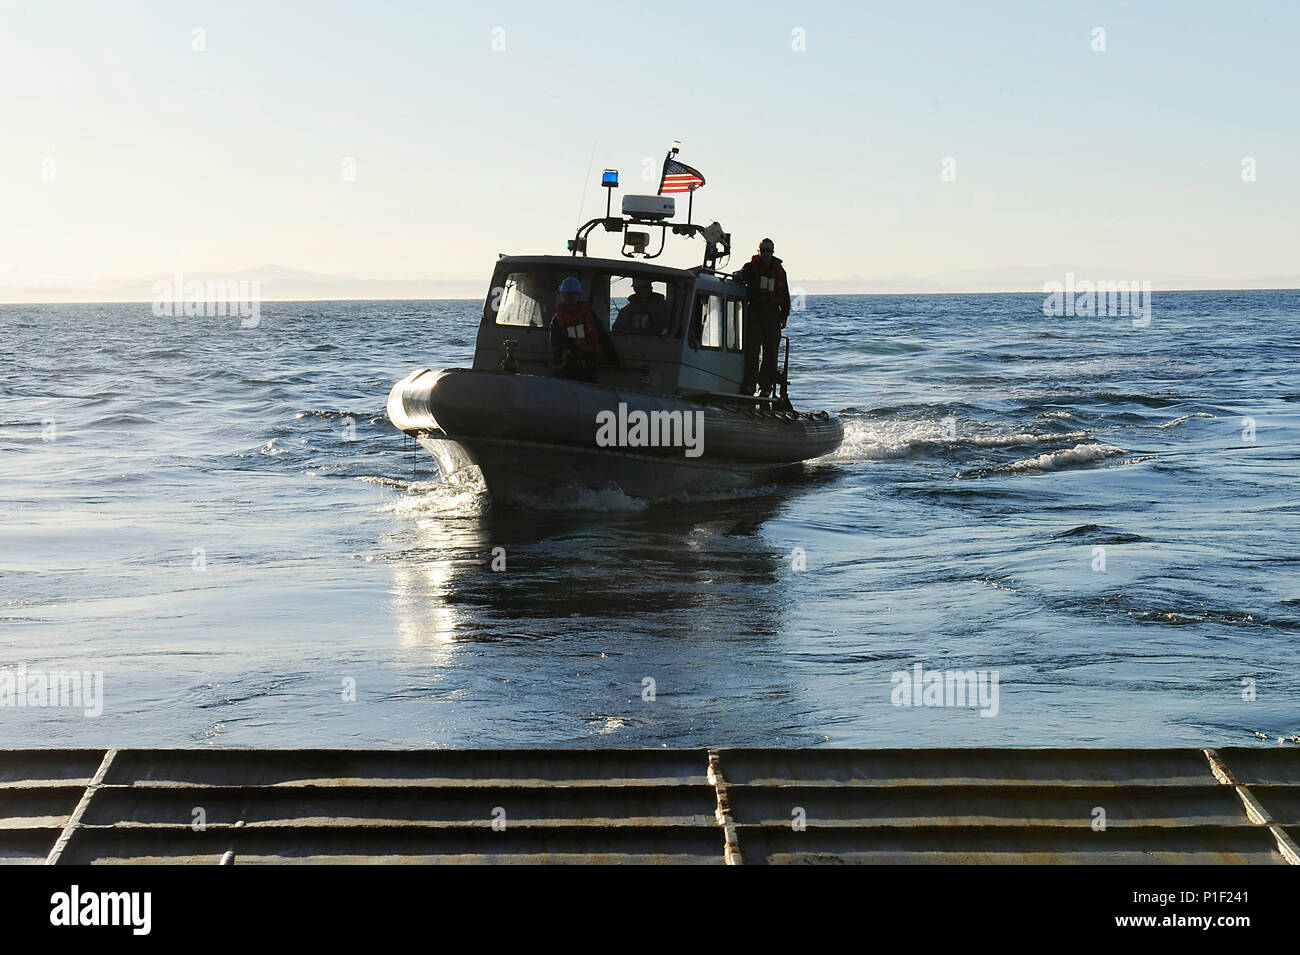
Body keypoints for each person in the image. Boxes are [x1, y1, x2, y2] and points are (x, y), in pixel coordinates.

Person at [735, 238, 790, 397]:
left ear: (773, 252)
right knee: (751, 352)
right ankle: (749, 386)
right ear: (758, 251)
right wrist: (739, 276)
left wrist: (784, 314)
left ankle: (765, 387)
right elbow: (743, 276)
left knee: (771, 353)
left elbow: (785, 294)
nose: (766, 253)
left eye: (769, 251)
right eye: (763, 250)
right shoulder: (751, 267)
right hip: (755, 312)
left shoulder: (780, 271)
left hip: (772, 314)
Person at [550, 276, 620, 382]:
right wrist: (572, 343)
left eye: (573, 294)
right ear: (562, 296)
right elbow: (555, 342)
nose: (570, 298)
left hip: (589, 363)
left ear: (579, 295)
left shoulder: (590, 315)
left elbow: (603, 337)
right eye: (567, 294)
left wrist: (613, 359)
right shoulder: (557, 319)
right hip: (567, 364)